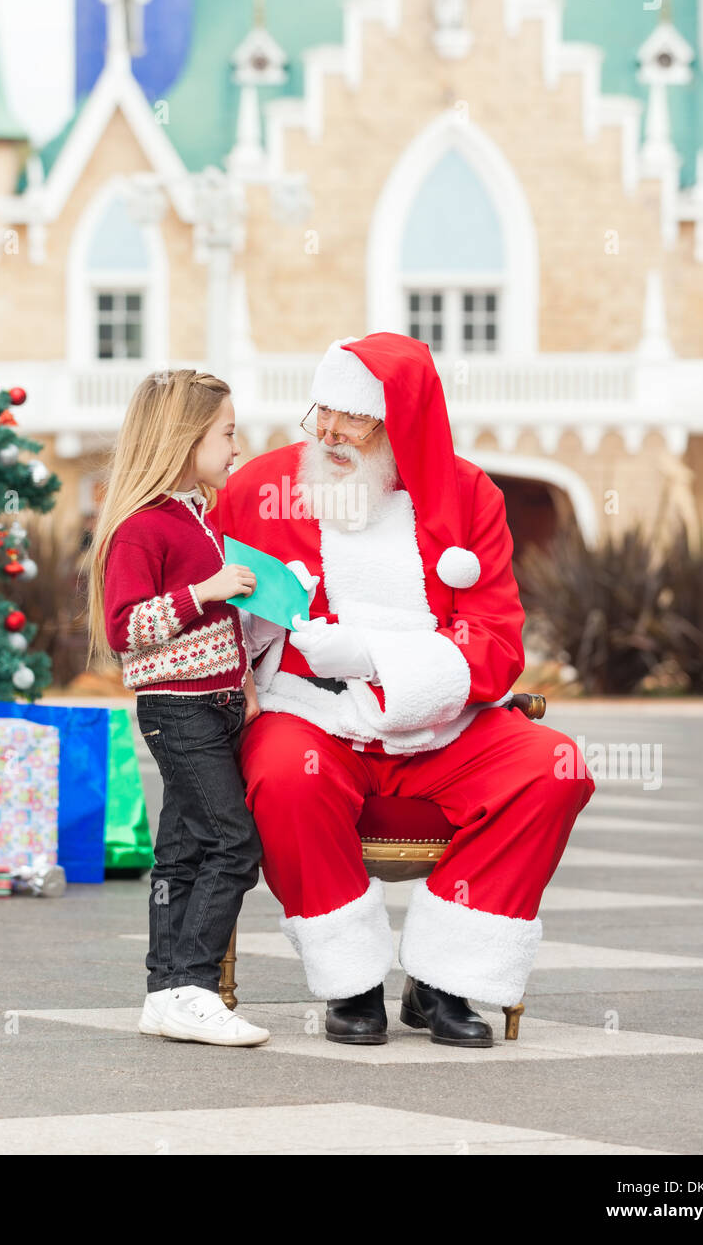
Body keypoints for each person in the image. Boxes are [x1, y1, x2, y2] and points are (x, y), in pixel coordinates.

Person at [209, 333, 595, 1048]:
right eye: (320, 410)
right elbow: (212, 608)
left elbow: (498, 641)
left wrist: (378, 657)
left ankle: (445, 978)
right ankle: (350, 980)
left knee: (554, 767)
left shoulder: (470, 495)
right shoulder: (259, 488)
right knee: (285, 774)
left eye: (349, 418)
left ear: (400, 425)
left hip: (445, 724)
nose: (326, 431)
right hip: (312, 714)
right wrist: (237, 678)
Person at [86, 368, 270, 1047]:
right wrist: (206, 588)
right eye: (225, 432)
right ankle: (193, 983)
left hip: (217, 704)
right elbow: (125, 627)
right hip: (178, 709)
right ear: (184, 437)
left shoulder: (198, 518)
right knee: (235, 842)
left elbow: (223, 625)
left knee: (184, 850)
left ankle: (164, 990)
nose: (237, 445)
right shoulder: (142, 528)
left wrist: (244, 685)